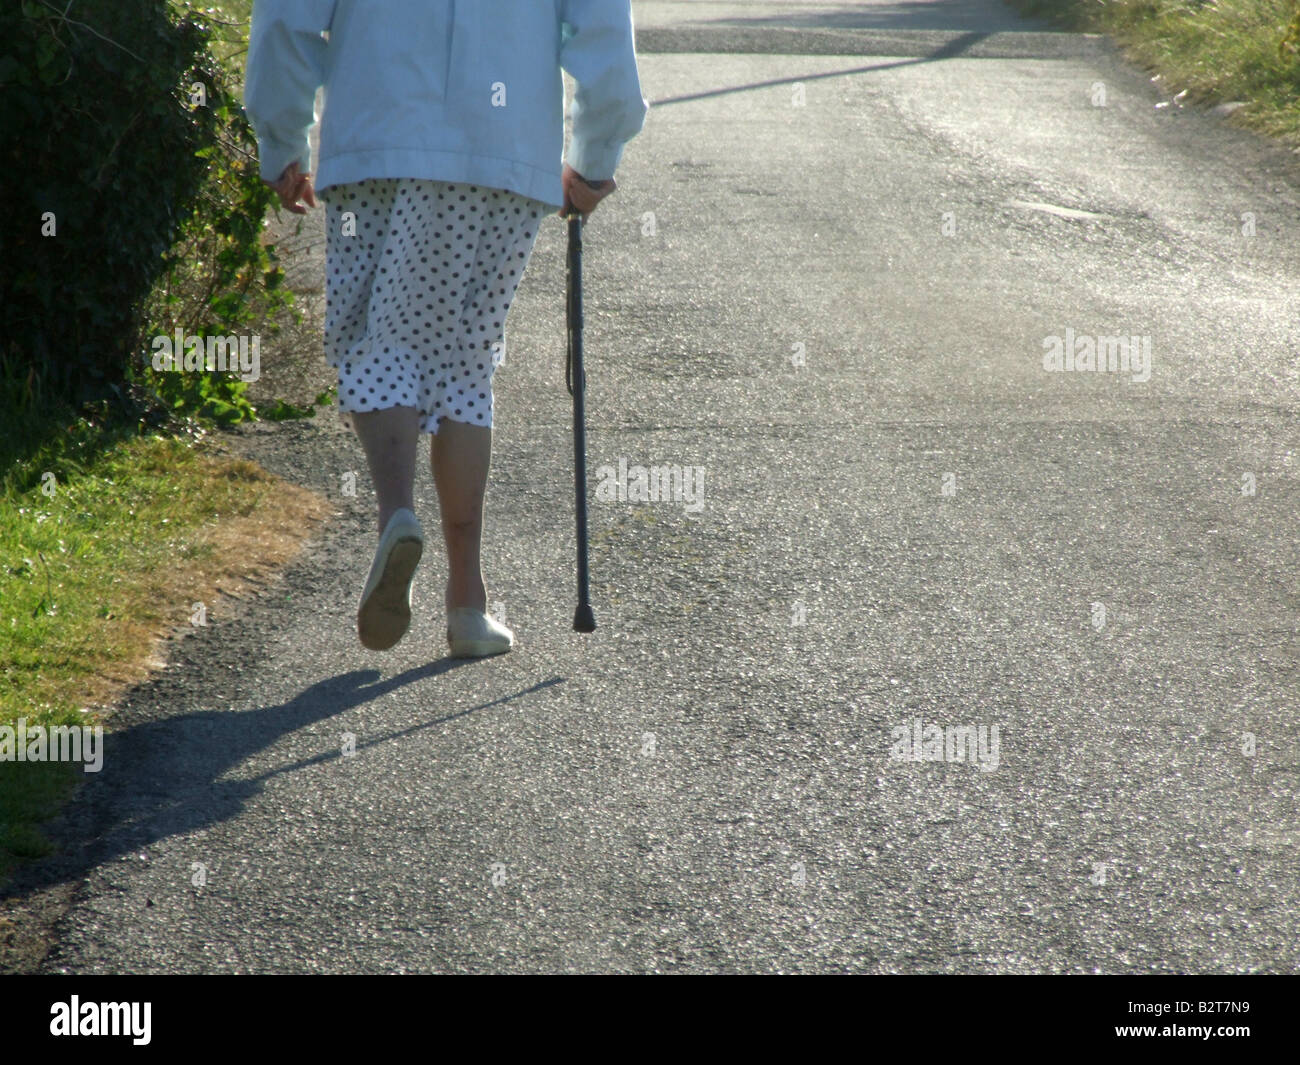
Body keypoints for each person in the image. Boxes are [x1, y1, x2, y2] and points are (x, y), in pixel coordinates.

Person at [244, 1, 647, 657]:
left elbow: (289, 17)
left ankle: (396, 517)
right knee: (467, 362)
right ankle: (467, 603)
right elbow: (600, 24)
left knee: (378, 343)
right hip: (507, 153)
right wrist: (596, 153)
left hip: (376, 133)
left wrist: (282, 137)